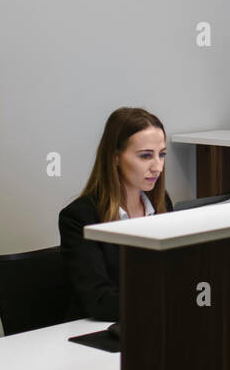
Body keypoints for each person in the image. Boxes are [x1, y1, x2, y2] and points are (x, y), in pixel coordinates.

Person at [59, 107, 173, 322]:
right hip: (100, 333)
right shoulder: (80, 217)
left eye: (162, 155)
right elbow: (100, 301)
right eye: (146, 156)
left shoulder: (161, 203)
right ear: (115, 158)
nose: (157, 167)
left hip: (154, 323)